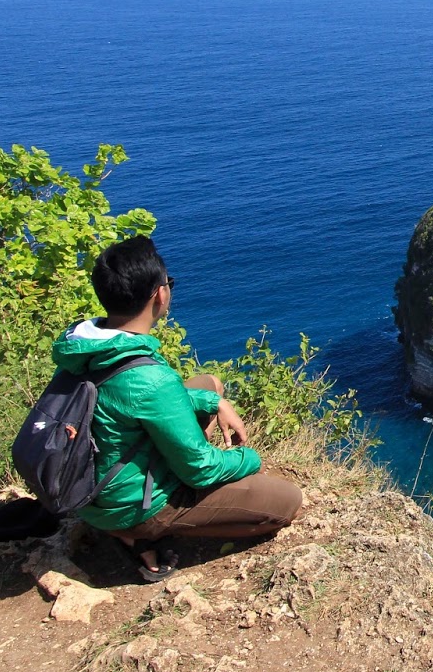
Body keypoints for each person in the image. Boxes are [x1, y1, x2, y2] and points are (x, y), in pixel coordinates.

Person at [53, 235, 302, 581]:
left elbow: (135, 401)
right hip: (131, 505)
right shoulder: (150, 379)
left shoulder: (87, 344)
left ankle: (139, 514)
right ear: (161, 294)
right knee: (287, 502)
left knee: (209, 383)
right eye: (168, 283)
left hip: (92, 483)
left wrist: (214, 401)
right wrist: (249, 460)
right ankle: (143, 533)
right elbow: (200, 469)